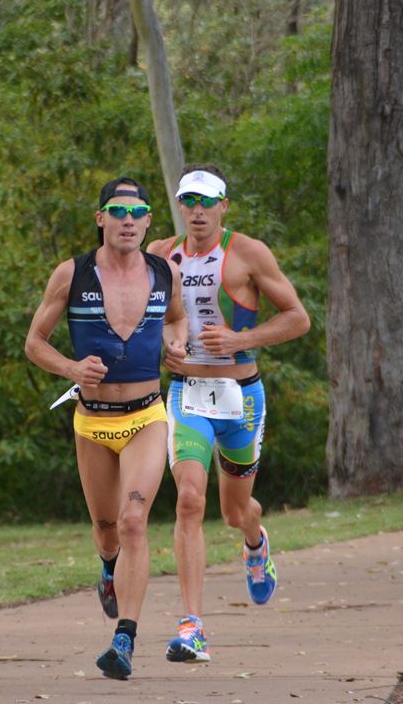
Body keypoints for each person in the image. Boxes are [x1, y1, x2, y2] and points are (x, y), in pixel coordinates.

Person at [146, 164, 311, 663]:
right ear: (180, 205)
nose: (197, 211)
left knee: (235, 511)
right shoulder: (159, 255)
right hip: (187, 393)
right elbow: (144, 317)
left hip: (241, 397)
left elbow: (298, 318)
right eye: (188, 202)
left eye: (206, 202)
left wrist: (241, 339)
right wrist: (165, 344)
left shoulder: (248, 253)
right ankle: (192, 627)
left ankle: (255, 543)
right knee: (189, 501)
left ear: (223, 206)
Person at [24, 177, 187, 680]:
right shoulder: (71, 274)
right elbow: (35, 342)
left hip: (146, 416)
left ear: (148, 221)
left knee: (135, 519)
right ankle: (108, 567)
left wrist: (175, 346)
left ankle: (124, 640)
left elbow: (177, 321)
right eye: (118, 211)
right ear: (101, 218)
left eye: (138, 212)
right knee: (106, 528)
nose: (128, 220)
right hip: (92, 421)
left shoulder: (165, 273)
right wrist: (72, 369)